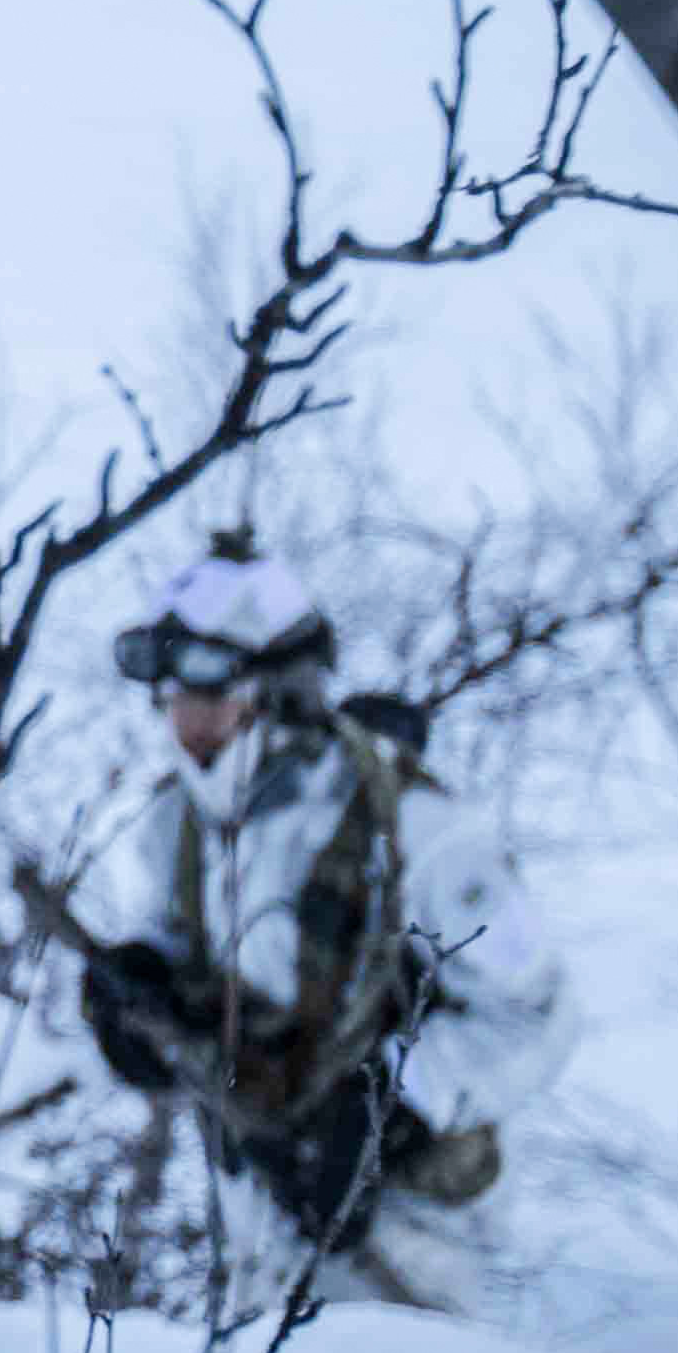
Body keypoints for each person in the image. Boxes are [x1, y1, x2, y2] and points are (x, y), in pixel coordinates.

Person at [70, 541, 569, 1307]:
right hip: (258, 1226)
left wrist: (396, 1106)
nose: (187, 723)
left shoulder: (411, 824)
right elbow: (177, 961)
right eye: (174, 699)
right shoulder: (176, 825)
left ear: (277, 693)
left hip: (412, 1240)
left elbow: (537, 1014)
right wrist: (134, 1006)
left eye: (210, 697)